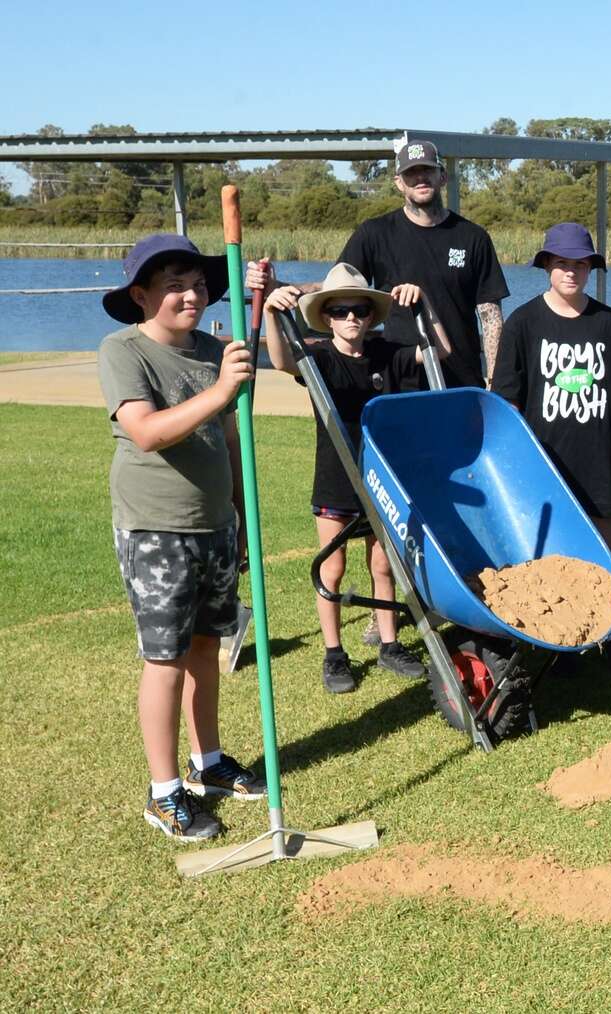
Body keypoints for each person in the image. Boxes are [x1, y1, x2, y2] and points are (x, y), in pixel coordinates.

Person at [96, 234, 266, 841]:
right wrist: (222, 388)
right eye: (174, 285)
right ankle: (164, 792)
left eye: (197, 283)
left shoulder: (215, 350)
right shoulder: (123, 350)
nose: (190, 294)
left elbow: (227, 440)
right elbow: (144, 432)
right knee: (165, 659)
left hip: (214, 525)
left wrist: (239, 514)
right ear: (141, 295)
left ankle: (209, 764)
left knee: (205, 650)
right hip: (155, 529)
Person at [252, 262, 435, 693]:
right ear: (327, 317)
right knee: (332, 569)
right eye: (339, 311)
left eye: (359, 310)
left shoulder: (387, 353)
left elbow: (438, 351)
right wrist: (276, 316)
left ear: (371, 315)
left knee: (384, 565)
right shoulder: (318, 358)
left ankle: (389, 644)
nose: (350, 318)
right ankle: (334, 653)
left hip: (381, 476)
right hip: (336, 477)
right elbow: (280, 361)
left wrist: (426, 305)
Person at [491, 223, 611, 675]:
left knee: (607, 543)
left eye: (580, 264)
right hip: (546, 460)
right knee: (548, 549)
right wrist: (520, 463)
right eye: (561, 263)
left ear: (589, 268)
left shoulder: (609, 322)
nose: (571, 272)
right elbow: (508, 402)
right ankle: (555, 637)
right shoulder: (524, 322)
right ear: (546, 266)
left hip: (599, 455)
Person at [338, 137, 509, 390]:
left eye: (427, 170)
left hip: (462, 381)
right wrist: (281, 287)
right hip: (401, 381)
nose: (420, 178)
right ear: (399, 183)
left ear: (442, 176)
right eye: (411, 173)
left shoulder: (473, 237)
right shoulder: (374, 233)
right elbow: (337, 287)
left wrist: (495, 380)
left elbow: (491, 316)